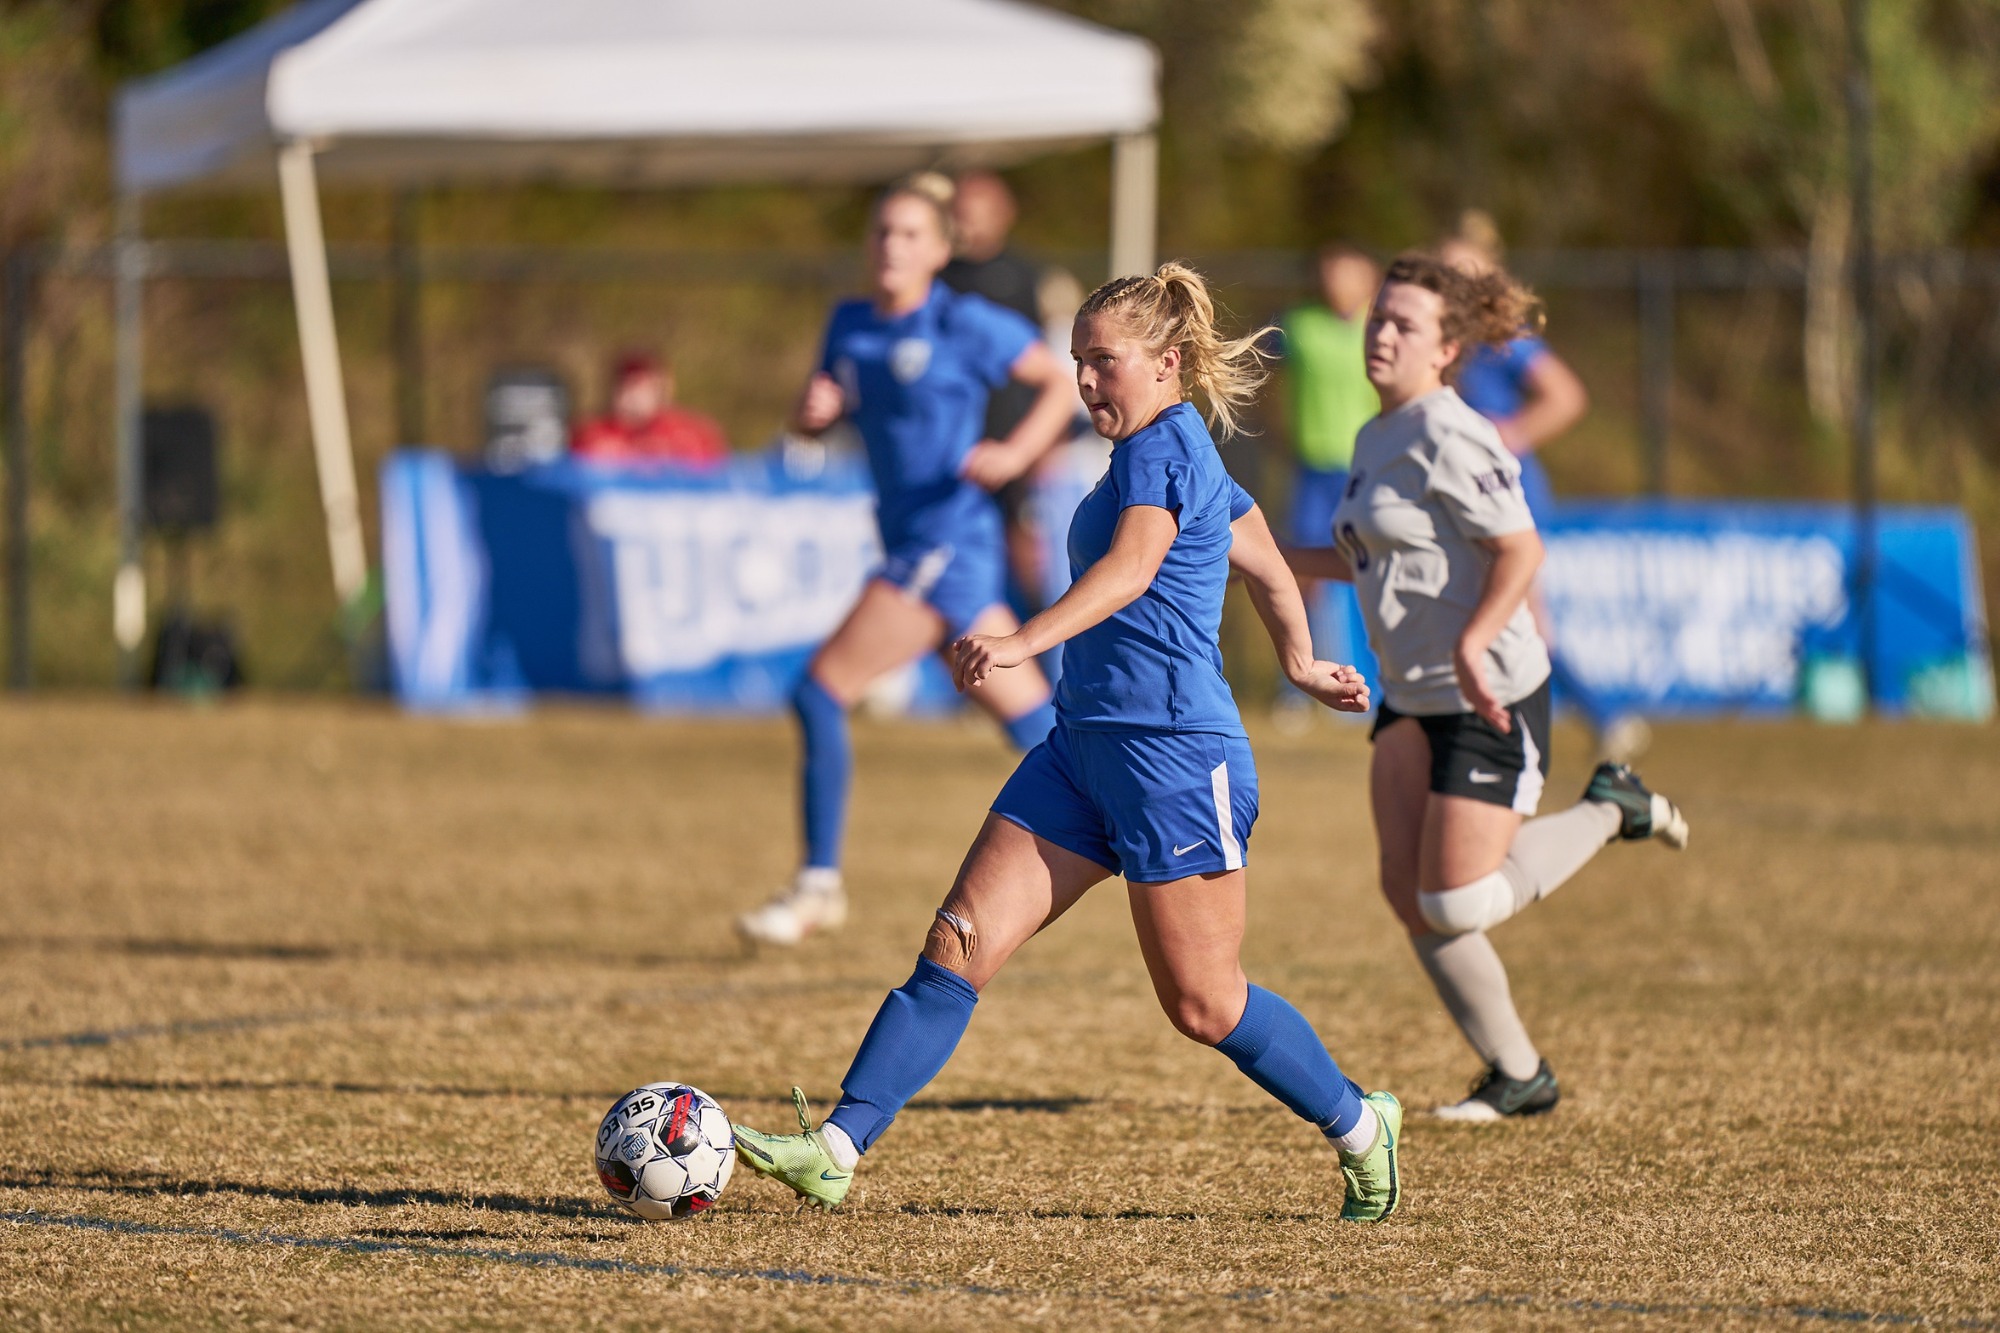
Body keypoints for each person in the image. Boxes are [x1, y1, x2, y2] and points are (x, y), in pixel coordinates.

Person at [731, 263, 1405, 1224]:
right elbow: (1260, 555)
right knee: (957, 942)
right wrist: (1298, 659)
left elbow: (1132, 569)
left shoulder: (1165, 448)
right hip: (1081, 750)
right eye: (1078, 360)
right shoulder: (1157, 453)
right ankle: (836, 1148)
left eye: (1104, 360)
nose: (1086, 380)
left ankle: (1362, 1125)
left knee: (1204, 1004)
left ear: (1168, 363)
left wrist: (1020, 640)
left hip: (1176, 760)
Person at [1288, 253, 1689, 1123]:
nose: (1381, 333)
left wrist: (1473, 641)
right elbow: (1368, 558)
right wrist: (1253, 555)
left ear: (1447, 348)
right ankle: (1519, 1073)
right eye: (1379, 317)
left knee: (1455, 899)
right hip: (1410, 695)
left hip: (1488, 691)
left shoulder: (1453, 430)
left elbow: (1520, 548)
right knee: (1410, 895)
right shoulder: (1375, 434)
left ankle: (1610, 806)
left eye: (1404, 323)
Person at [736, 173, 1077, 948]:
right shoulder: (851, 323)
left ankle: (817, 885)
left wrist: (1014, 453)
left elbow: (1057, 384)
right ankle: (1128, 829)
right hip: (916, 545)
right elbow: (817, 413)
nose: (892, 246)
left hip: (946, 543)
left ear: (940, 251)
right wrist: (813, 415)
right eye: (882, 232)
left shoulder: (963, 321)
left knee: (819, 692)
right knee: (1044, 733)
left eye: (910, 234)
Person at [1438, 213, 1648, 762]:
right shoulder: (1445, 340)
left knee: (1522, 618)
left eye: (1464, 272)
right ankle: (1551, 721)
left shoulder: (1501, 337)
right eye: (1445, 272)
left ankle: (1599, 715)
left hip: (1509, 492)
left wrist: (1508, 435)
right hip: (1466, 491)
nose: (1452, 283)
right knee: (1495, 615)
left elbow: (1566, 395)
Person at [1273, 243, 1382, 721]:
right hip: (1312, 471)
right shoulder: (1299, 327)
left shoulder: (1383, 330)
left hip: (1366, 471)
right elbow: (1257, 373)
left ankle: (1380, 682)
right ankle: (1297, 685)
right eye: (1330, 272)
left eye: (1348, 273)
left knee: (1377, 570)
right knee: (1300, 577)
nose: (1336, 283)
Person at [941, 170, 1055, 617]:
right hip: (955, 438)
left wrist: (1038, 444)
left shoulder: (1024, 277)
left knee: (1022, 544)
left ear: (1003, 215)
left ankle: (1038, 635)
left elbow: (1049, 368)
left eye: (977, 212)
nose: (967, 222)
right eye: (960, 212)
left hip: (1013, 433)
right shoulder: (939, 279)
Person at [570, 352, 729, 468]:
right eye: (626, 386)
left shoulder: (693, 431)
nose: (633, 396)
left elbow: (711, 471)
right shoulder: (592, 432)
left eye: (641, 387)